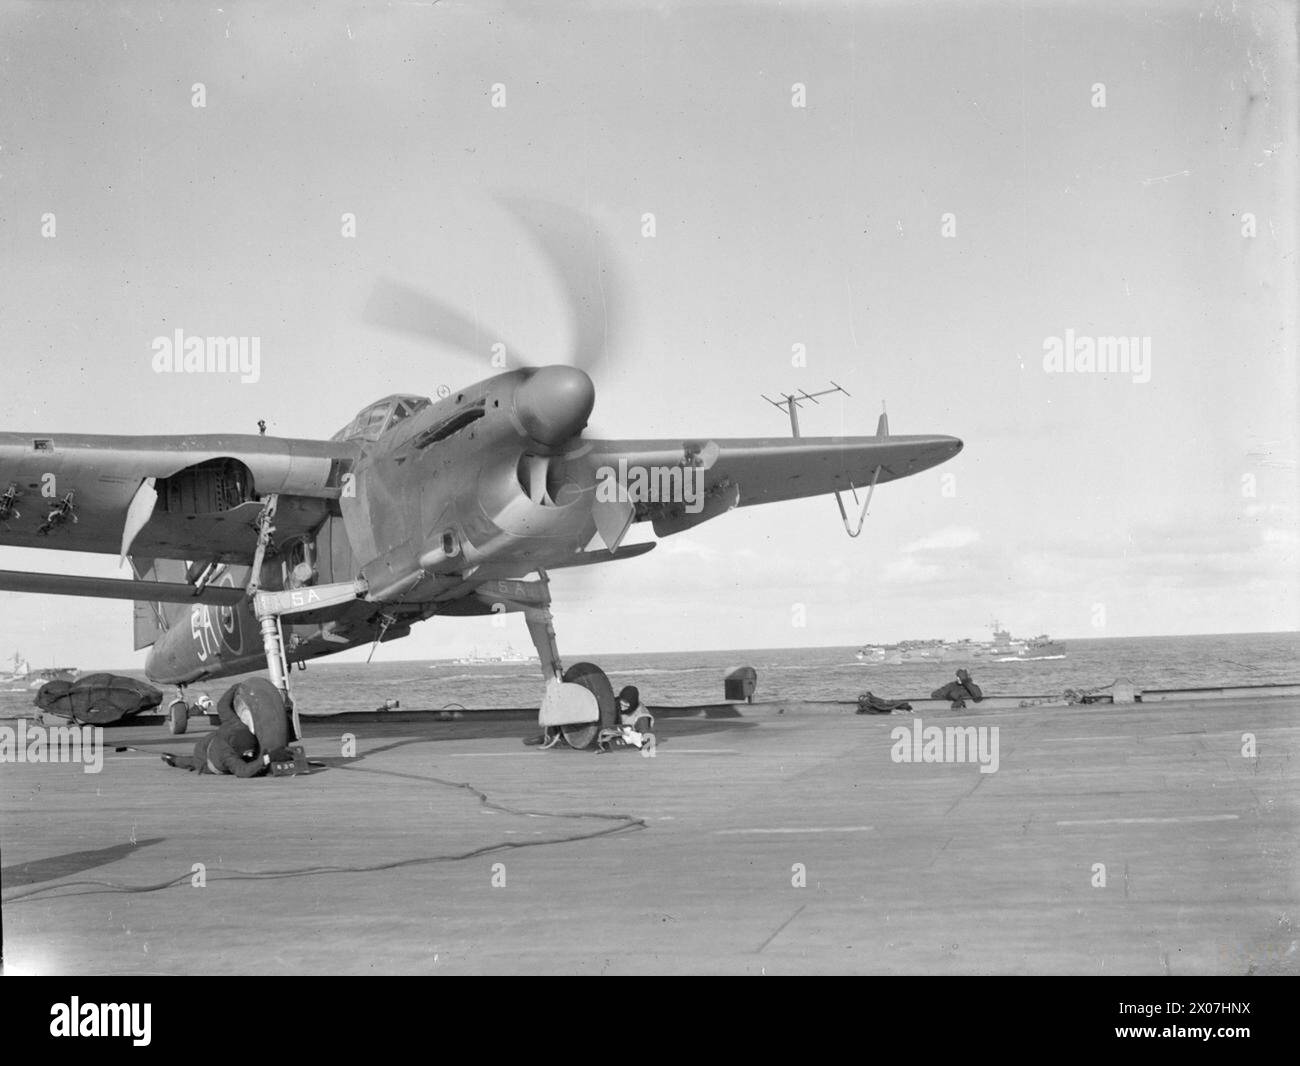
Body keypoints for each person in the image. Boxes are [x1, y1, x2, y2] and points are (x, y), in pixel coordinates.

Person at [596, 685, 656, 754]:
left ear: (632, 704)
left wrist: (641, 741)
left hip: (631, 737)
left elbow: (646, 736)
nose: (622, 708)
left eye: (626, 706)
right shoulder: (615, 704)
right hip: (615, 733)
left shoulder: (642, 716)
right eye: (621, 704)